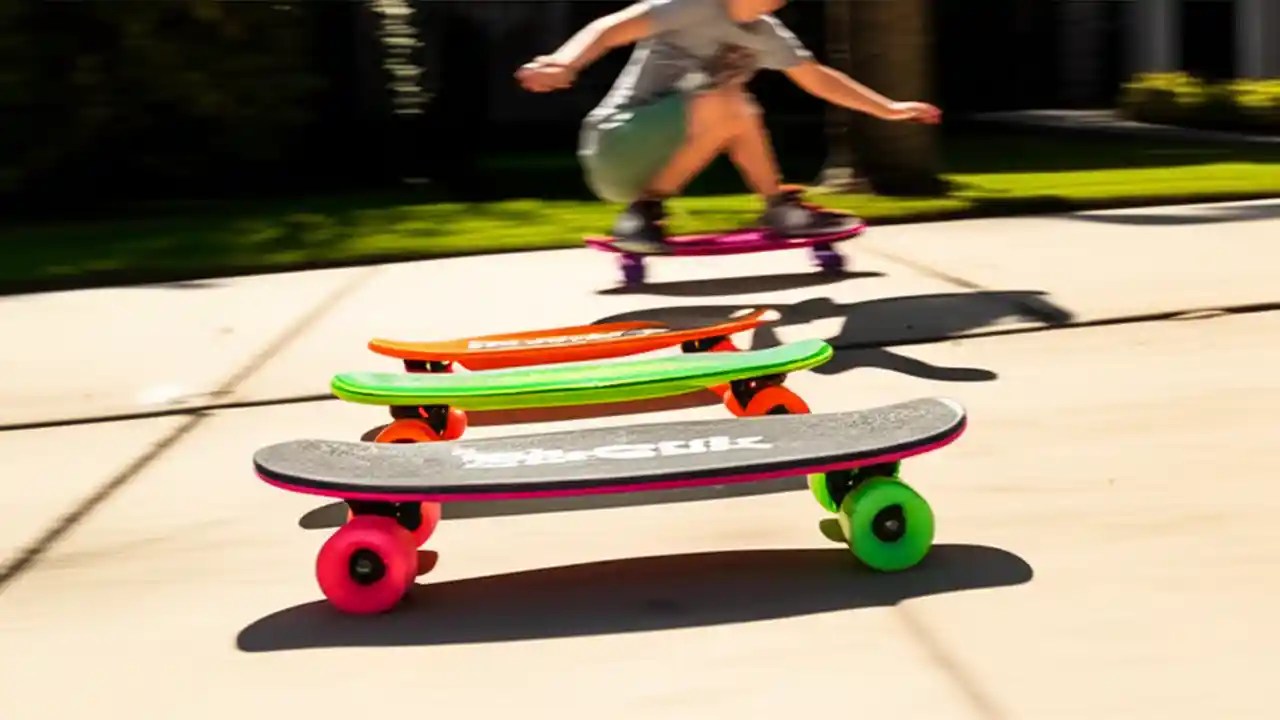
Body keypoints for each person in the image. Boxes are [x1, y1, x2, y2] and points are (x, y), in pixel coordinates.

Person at [515, 0, 941, 252]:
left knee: (740, 109)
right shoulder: (692, 6)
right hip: (615, 141)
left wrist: (889, 108)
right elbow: (609, 28)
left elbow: (817, 79)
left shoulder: (768, 35)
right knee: (731, 101)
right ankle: (768, 208)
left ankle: (651, 212)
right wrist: (564, 62)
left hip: (662, 157)